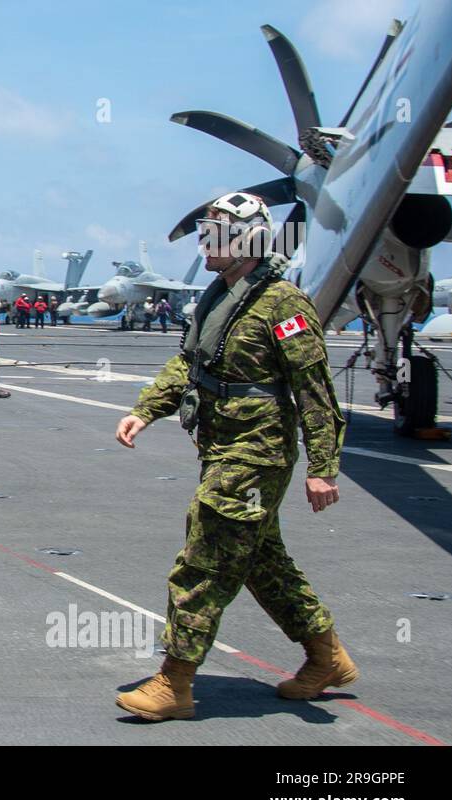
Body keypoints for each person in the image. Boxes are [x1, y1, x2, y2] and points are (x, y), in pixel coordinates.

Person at [113, 191, 352, 721]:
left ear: (248, 239)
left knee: (206, 554)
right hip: (220, 445)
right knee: (262, 562)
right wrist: (146, 409)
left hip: (257, 451)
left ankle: (174, 682)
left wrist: (322, 467)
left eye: (215, 233)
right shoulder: (219, 295)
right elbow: (190, 363)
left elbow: (315, 391)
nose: (204, 241)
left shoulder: (282, 303)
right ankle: (326, 655)